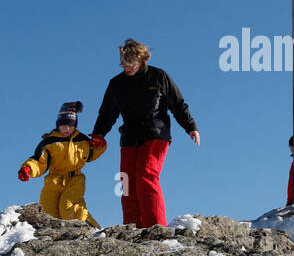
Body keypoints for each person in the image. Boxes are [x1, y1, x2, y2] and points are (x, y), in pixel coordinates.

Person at [90, 39, 199, 229]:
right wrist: (98, 134)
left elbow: (178, 104)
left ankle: (155, 228)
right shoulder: (117, 84)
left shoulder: (158, 76)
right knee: (126, 183)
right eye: (124, 63)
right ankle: (133, 229)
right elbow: (107, 112)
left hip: (155, 133)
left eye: (130, 63)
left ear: (141, 60)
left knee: (145, 174)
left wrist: (190, 126)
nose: (127, 67)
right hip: (129, 137)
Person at [17, 101, 106, 227]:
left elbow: (92, 154)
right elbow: (39, 161)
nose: (67, 129)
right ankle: (58, 240)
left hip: (74, 179)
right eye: (64, 125)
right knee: (48, 213)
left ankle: (93, 230)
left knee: (69, 208)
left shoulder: (82, 140)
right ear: (58, 124)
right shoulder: (50, 142)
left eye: (70, 125)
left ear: (75, 125)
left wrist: (101, 145)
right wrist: (27, 169)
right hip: (53, 180)